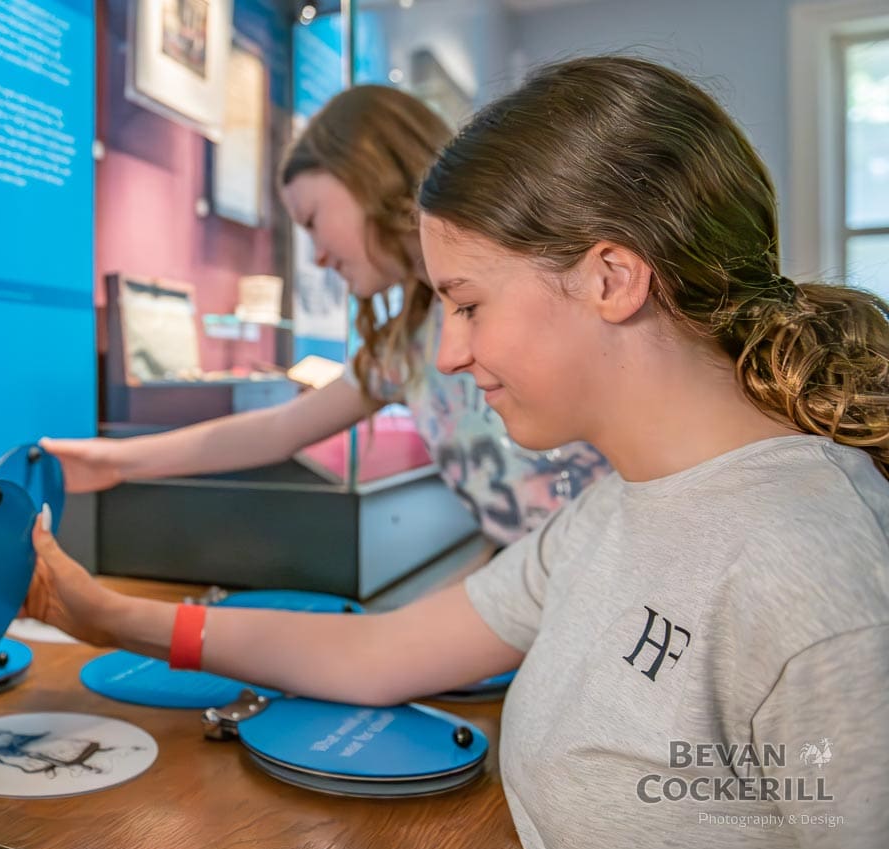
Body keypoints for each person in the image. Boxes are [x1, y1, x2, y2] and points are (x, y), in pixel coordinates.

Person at [27, 56, 889, 849]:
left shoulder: (813, 583)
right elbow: (380, 652)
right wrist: (109, 616)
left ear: (612, 278)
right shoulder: (604, 520)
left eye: (469, 305)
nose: (447, 352)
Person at [43, 84, 610, 545]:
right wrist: (114, 460)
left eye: (312, 219)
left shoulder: (536, 286)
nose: (315, 254)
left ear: (368, 171)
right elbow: (277, 429)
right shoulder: (406, 345)